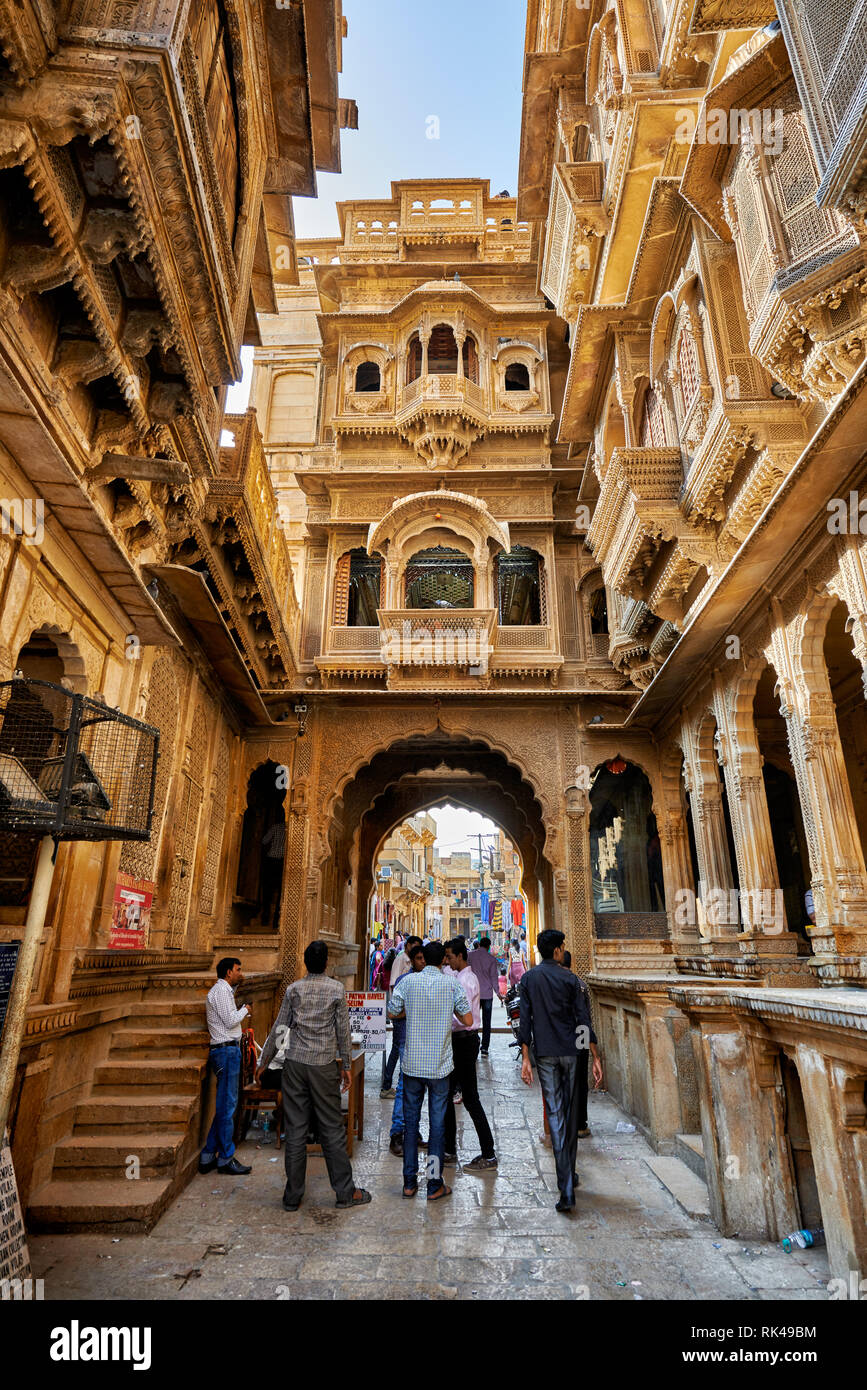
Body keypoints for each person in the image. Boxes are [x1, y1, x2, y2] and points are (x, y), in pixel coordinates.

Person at [257, 939, 371, 1212]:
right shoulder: (336, 990)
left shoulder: (294, 990)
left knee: (295, 1129)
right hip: (323, 1064)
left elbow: (280, 1027)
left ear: (306, 963)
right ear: (327, 963)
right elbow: (343, 1031)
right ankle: (345, 1192)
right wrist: (345, 1064)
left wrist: (265, 1060)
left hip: (295, 1063)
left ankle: (292, 1196)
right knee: (331, 1128)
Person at [518, 928, 603, 1215]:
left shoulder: (528, 980)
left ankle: (565, 1185)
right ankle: (568, 1177)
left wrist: (526, 1058)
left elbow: (525, 1021)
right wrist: (591, 1054)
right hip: (570, 1052)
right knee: (569, 1113)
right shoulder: (572, 980)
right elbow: (583, 1020)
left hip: (544, 1054)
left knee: (555, 1114)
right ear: (557, 951)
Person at [388, 941, 472, 1201]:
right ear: (442, 961)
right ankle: (434, 1184)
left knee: (411, 1126)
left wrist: (411, 1012)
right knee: (437, 1127)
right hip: (439, 1066)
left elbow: (392, 1012)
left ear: (423, 959)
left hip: (412, 1064)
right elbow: (468, 1020)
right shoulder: (452, 985)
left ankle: (409, 1183)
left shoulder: (408, 983)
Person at [443, 938, 497, 1170]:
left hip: (463, 1041)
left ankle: (488, 1153)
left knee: (470, 1099)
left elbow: (460, 1017)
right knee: (449, 1095)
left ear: (460, 956)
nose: (447, 960)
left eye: (450, 956)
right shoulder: (464, 977)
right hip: (464, 1041)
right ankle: (449, 1149)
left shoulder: (464, 980)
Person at [199, 958, 253, 1177]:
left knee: (224, 1107)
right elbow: (230, 1021)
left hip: (228, 1050)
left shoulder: (224, 991)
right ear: (228, 972)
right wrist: (245, 1010)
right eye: (238, 970)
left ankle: (207, 1155)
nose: (240, 972)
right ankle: (226, 1158)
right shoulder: (220, 992)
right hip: (226, 1051)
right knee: (227, 1107)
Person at [387, 940, 425, 1153]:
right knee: (403, 1086)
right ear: (412, 960)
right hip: (405, 1038)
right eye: (418, 958)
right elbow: (393, 1012)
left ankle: (412, 1131)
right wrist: (414, 1011)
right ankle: (397, 1132)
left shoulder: (428, 981)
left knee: (416, 1088)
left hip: (421, 1040)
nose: (422, 962)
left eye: (424, 958)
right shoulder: (403, 980)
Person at [379, 937, 420, 1099]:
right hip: (400, 1013)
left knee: (397, 1048)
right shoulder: (400, 959)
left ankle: (387, 1084)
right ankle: (390, 1085)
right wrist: (399, 1009)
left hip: (406, 1014)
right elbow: (395, 985)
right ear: (408, 946)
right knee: (399, 1048)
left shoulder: (411, 961)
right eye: (414, 948)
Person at [468, 935, 501, 1057]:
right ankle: (485, 1048)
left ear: (480, 944)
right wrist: (498, 993)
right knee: (487, 1022)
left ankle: (474, 1043)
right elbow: (494, 978)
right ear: (488, 947)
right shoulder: (491, 959)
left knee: (473, 1020)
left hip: (474, 992)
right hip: (487, 994)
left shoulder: (470, 956)